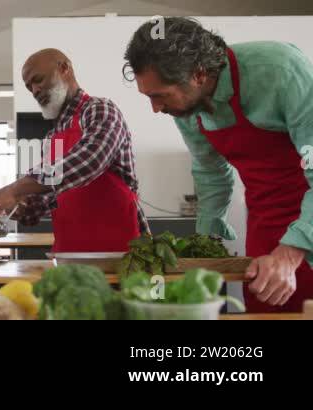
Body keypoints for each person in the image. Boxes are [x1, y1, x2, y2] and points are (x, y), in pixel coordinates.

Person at [124, 17, 313, 312]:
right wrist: (205, 240)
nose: (155, 108)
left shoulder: (280, 71)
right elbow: (209, 170)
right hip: (264, 221)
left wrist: (289, 255)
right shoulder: (186, 106)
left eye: (159, 96)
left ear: (198, 75)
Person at [0, 49, 148, 253]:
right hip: (71, 255)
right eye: (29, 87)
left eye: (38, 79)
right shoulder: (52, 136)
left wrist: (13, 190)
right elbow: (41, 204)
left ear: (64, 68)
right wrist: (15, 206)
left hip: (121, 252)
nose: (34, 90)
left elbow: (90, 160)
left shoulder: (100, 109)